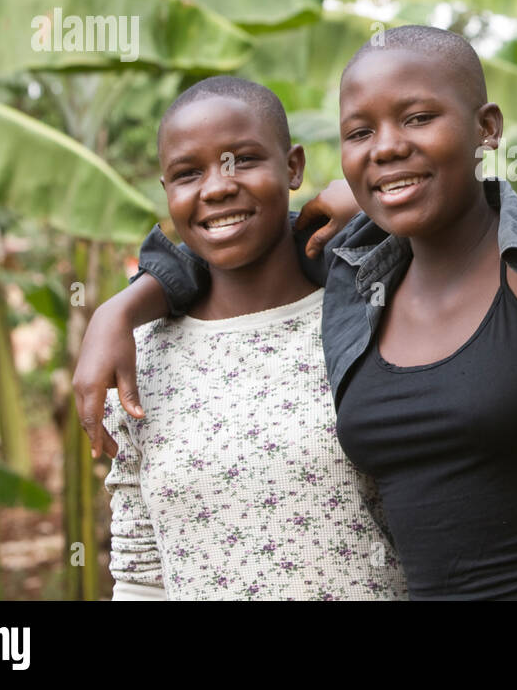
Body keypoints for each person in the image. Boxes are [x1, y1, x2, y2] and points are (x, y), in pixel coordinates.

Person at [81, 29, 517, 600]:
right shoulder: (358, 286)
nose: (385, 146)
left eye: (417, 118)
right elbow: (238, 244)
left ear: (487, 127)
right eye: (361, 133)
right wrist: (124, 305)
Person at [103, 76, 407, 600]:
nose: (217, 187)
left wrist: (372, 209)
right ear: (167, 191)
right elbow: (139, 572)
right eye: (187, 173)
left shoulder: (371, 317)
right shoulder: (140, 354)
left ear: (293, 167)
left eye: (242, 159)